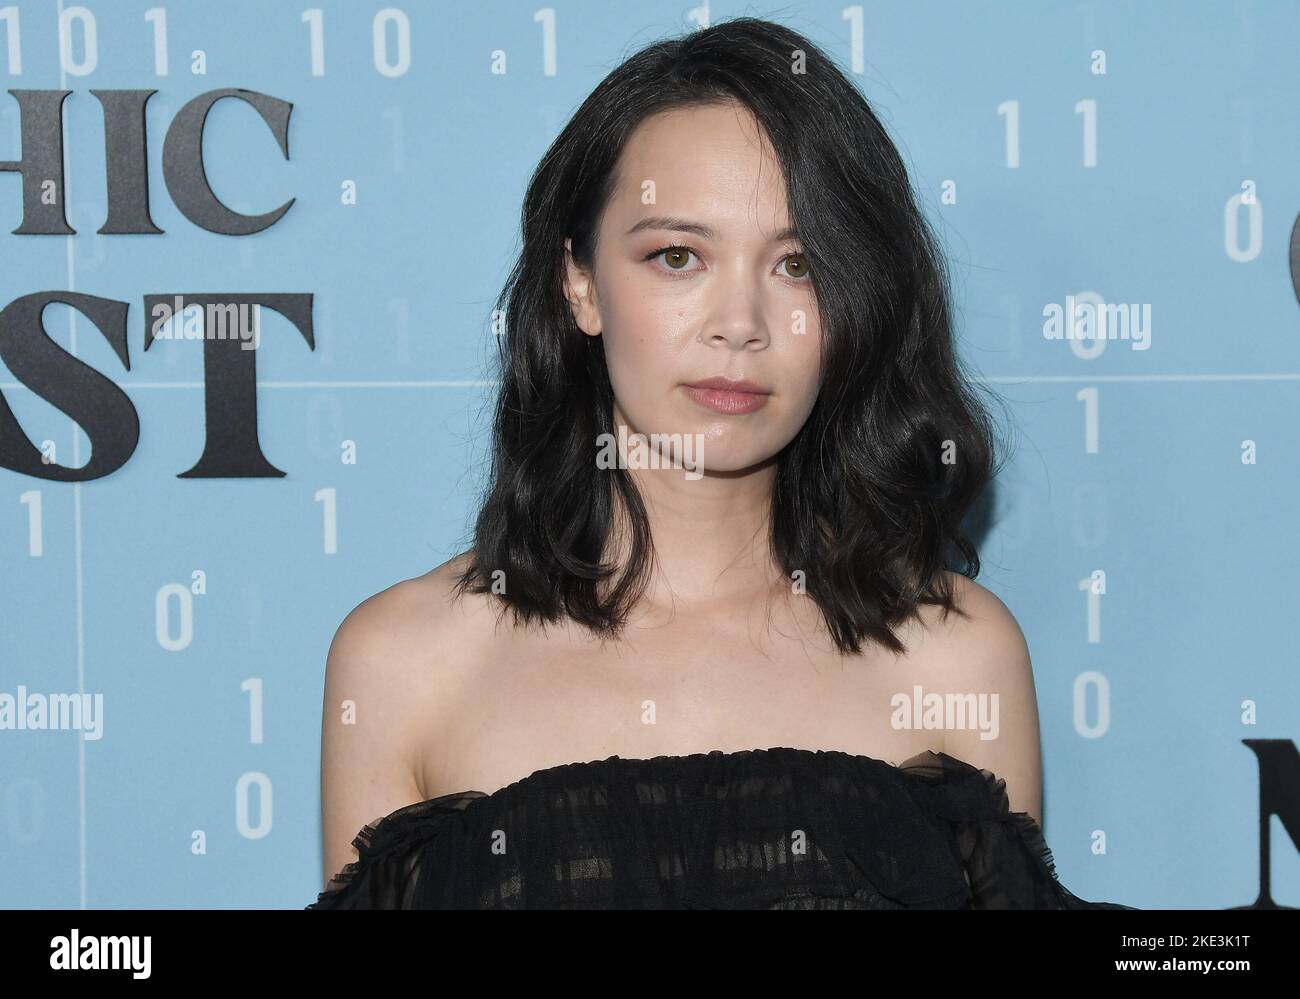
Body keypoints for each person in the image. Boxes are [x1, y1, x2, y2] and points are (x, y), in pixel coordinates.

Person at [307, 16, 1133, 909]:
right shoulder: (405, 664)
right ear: (579, 283)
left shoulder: (957, 656)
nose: (739, 322)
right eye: (676, 256)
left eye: (798, 265)